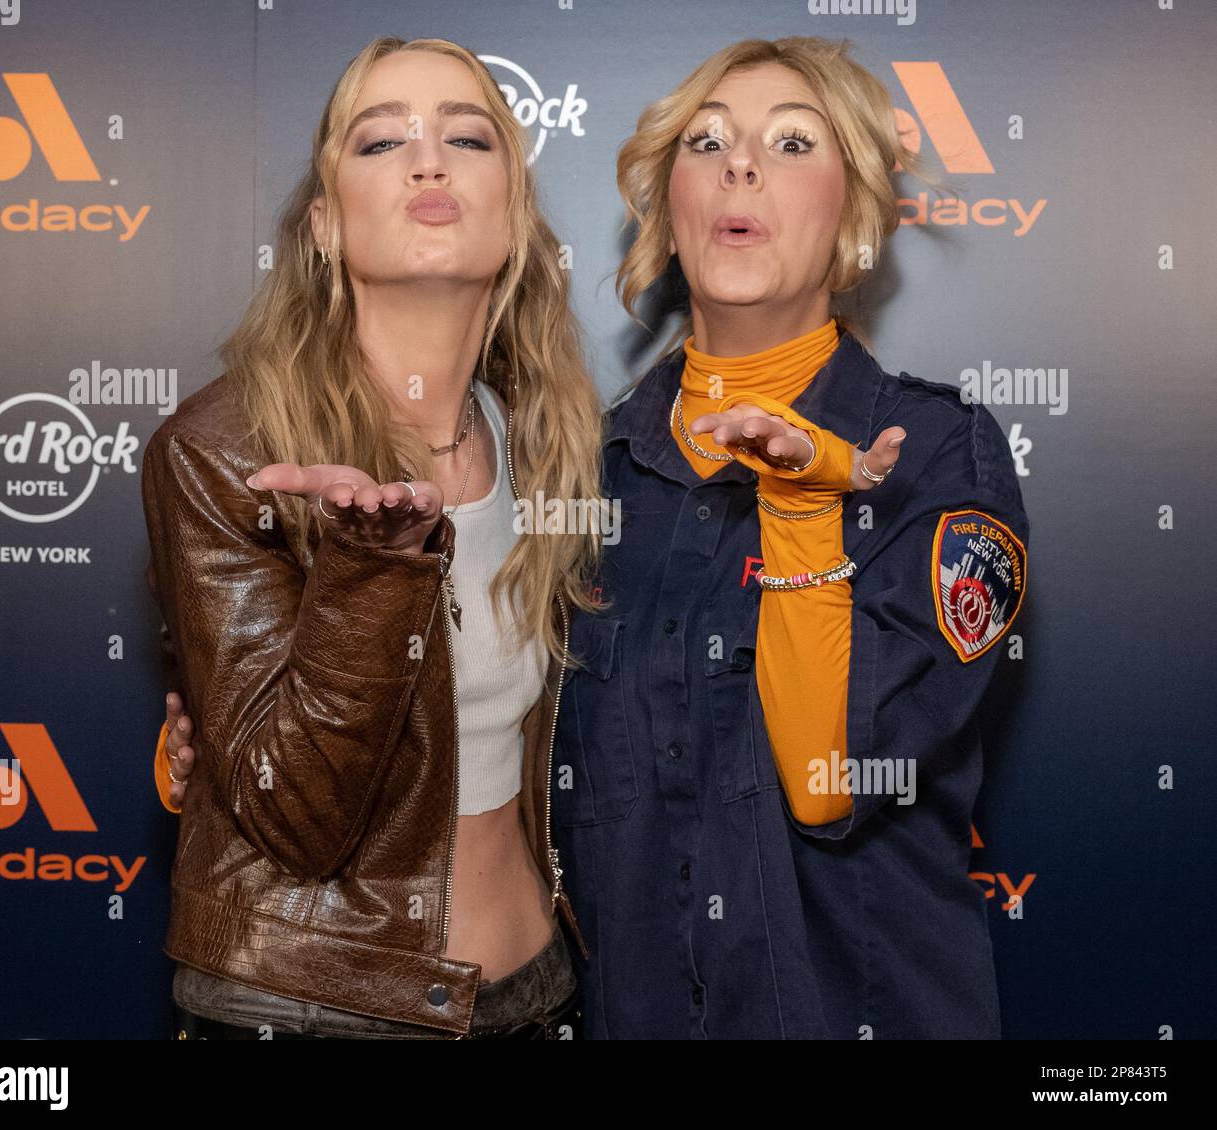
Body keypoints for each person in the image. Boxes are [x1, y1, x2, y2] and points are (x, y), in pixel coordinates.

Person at [158, 35, 1030, 1039]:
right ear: (666, 211)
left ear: (855, 218)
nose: (741, 163)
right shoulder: (588, 468)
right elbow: (473, 718)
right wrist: (225, 737)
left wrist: (800, 504)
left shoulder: (928, 455)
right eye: (707, 142)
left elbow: (828, 787)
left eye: (794, 143)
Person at [141, 35, 604, 1040]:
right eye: (382, 139)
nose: (428, 161)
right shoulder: (223, 450)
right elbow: (296, 818)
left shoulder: (547, 443)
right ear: (321, 225)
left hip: (539, 994)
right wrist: (368, 567)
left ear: (517, 215)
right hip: (310, 1007)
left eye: (467, 138)